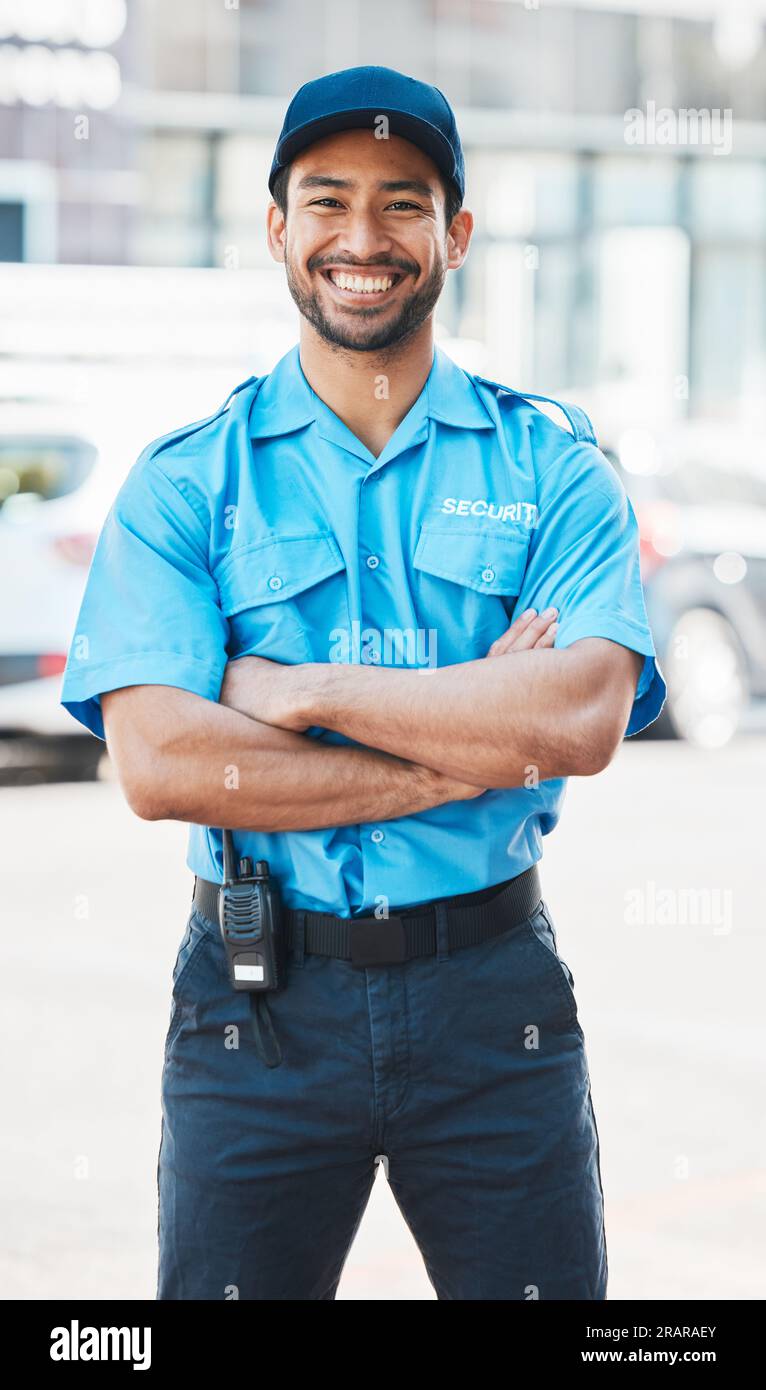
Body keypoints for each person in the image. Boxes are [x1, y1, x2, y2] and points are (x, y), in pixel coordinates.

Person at [60, 65, 666, 1301]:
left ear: (455, 234)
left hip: (494, 1001)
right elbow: (167, 764)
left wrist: (297, 691)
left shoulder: (556, 470)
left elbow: (580, 715)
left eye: (402, 203)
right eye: (326, 200)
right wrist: (471, 741)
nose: (363, 238)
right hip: (257, 1010)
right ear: (278, 228)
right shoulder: (186, 483)